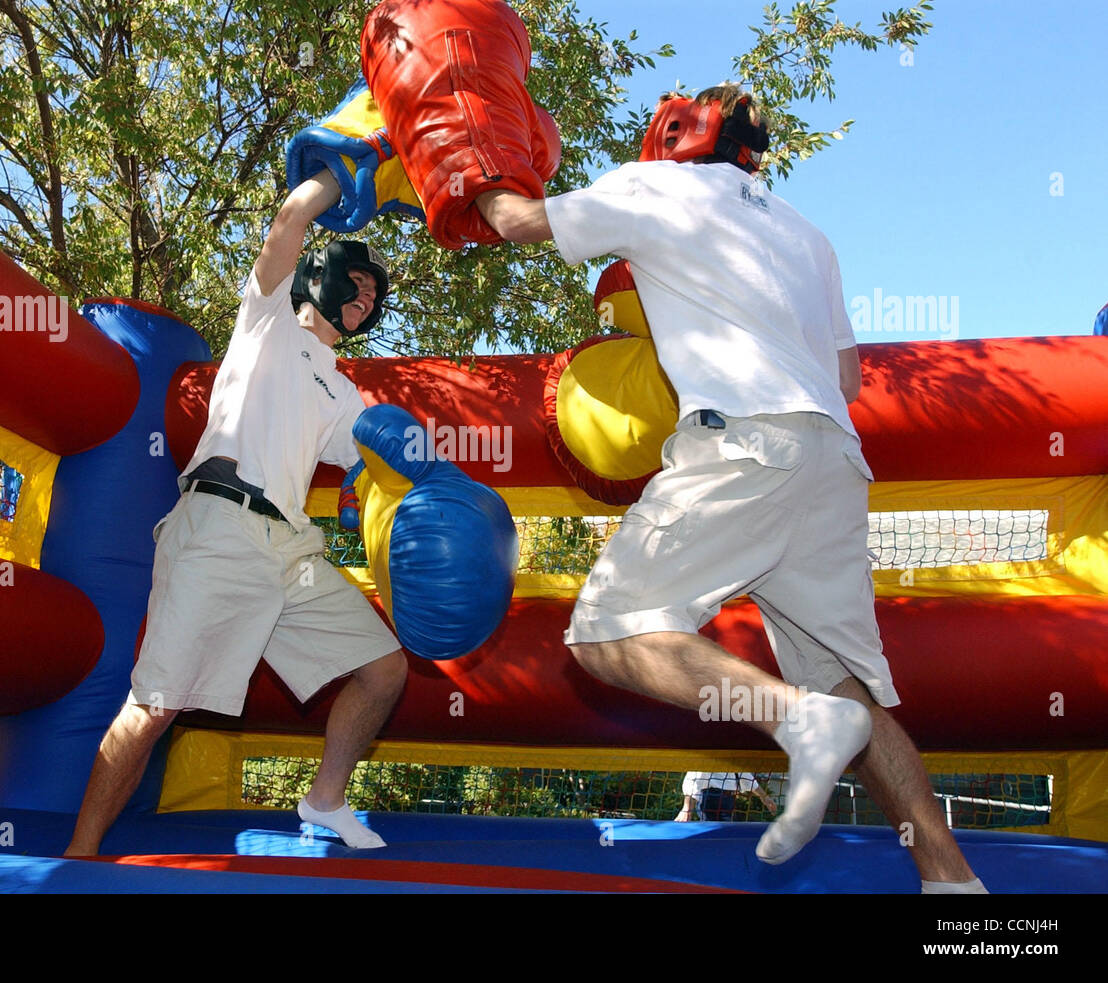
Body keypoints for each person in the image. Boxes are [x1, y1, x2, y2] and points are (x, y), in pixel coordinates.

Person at [476, 84, 986, 892]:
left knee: (606, 631)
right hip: (833, 463)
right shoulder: (808, 235)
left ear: (675, 135)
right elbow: (849, 376)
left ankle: (799, 722)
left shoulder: (656, 185)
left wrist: (459, 148)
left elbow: (513, 220)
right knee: (850, 684)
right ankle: (955, 886)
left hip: (744, 442)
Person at [65, 170, 408, 856]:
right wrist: (336, 174)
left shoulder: (346, 394)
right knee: (156, 705)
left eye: (376, 296)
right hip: (218, 527)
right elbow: (287, 227)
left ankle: (324, 799)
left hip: (290, 549)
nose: (365, 298)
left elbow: (374, 463)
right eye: (359, 282)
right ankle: (79, 853)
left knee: (385, 669)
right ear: (325, 276)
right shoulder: (268, 319)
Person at [676, 772, 777, 823]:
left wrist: (764, 796)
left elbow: (744, 775)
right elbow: (695, 778)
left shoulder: (731, 749)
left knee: (725, 833)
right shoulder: (707, 745)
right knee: (711, 834)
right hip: (711, 798)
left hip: (728, 799)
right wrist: (687, 808)